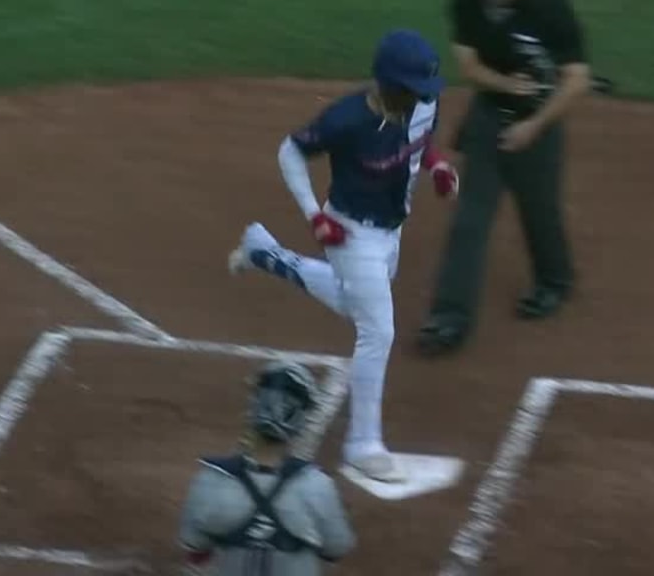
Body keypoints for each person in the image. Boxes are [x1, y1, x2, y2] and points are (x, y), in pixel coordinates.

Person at [226, 29, 460, 483]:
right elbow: (290, 152)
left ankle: (263, 252)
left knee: (354, 303)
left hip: (391, 230)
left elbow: (419, 140)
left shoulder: (423, 105)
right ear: (391, 84)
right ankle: (363, 444)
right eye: (414, 91)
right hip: (349, 232)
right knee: (377, 331)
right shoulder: (346, 120)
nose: (422, 100)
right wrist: (315, 216)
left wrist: (438, 166)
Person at [417, 0, 592, 356]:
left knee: (539, 211)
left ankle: (554, 280)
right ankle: (448, 320)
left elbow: (577, 80)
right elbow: (469, 64)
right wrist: (506, 86)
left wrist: (533, 125)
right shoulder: (468, 1)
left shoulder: (551, 9)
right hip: (489, 119)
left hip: (540, 122)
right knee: (469, 220)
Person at [177, 361, 356, 575]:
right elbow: (336, 548)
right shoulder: (317, 486)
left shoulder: (209, 481)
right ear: (300, 420)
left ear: (253, 408)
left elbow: (194, 546)